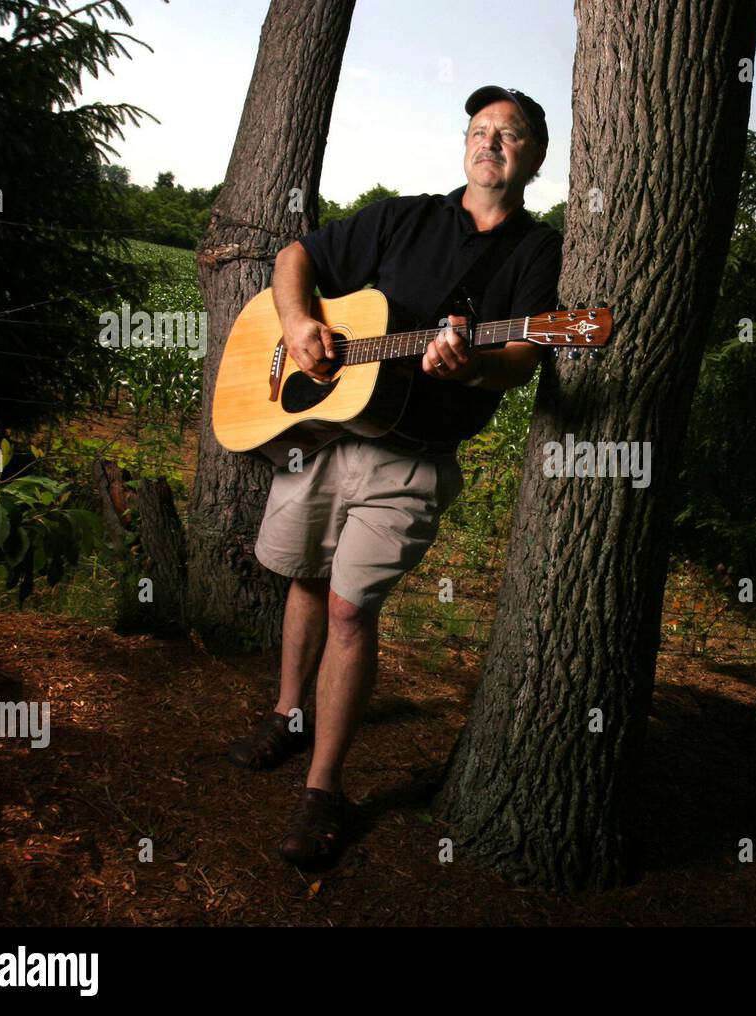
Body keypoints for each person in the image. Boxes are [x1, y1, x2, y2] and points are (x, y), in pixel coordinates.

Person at [226, 86, 562, 868]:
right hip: (325, 433)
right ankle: (286, 715)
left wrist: (471, 362)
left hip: (410, 456)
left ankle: (323, 790)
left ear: (533, 156)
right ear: (465, 144)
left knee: (349, 609)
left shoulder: (535, 252)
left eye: (509, 135)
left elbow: (523, 360)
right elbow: (295, 257)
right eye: (481, 130)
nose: (491, 144)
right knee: (306, 581)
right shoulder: (405, 214)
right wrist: (302, 322)